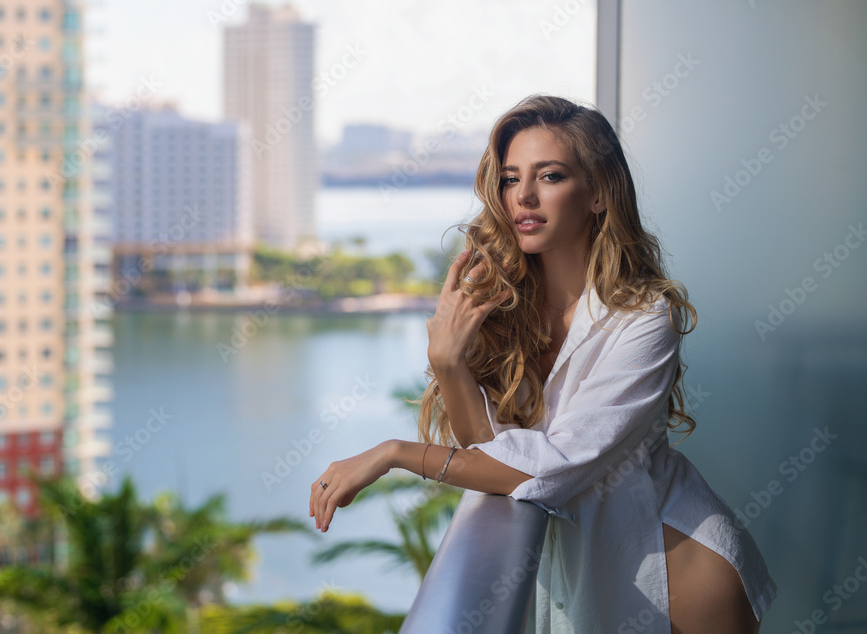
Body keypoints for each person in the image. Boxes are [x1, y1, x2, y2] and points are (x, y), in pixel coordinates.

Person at [309, 94, 777, 633]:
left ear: (598, 193)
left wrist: (394, 452)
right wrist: (448, 362)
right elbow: (493, 452)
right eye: (511, 179)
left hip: (683, 582)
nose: (524, 196)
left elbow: (551, 467)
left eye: (550, 176)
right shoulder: (506, 308)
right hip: (596, 578)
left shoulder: (644, 318)